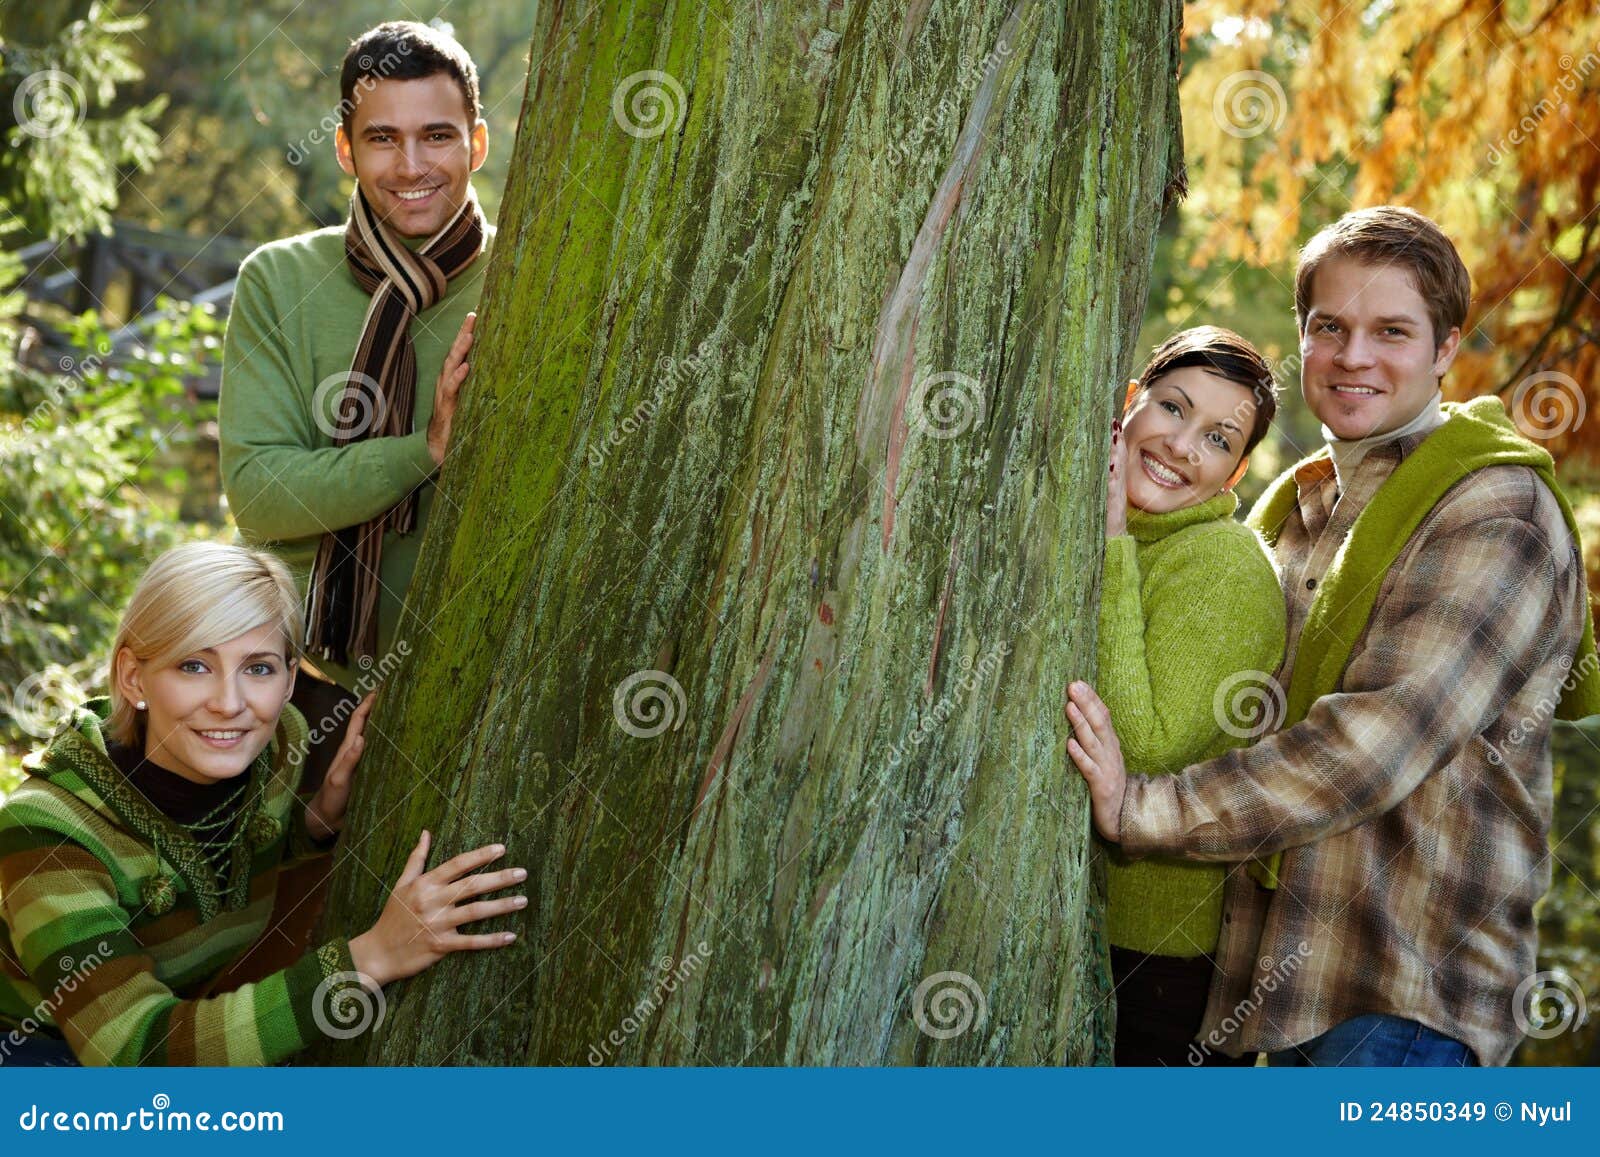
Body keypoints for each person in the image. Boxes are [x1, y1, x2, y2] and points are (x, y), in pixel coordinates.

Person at [1068, 206, 1600, 1067]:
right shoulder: (1304, 505)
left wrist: (1143, 808)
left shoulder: (1494, 510)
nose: (1354, 356)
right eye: (1330, 327)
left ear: (1445, 348)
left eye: (1391, 330)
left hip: (1404, 1002)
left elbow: (1374, 745)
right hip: (1274, 990)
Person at [0, 542, 523, 1066]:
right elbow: (139, 1051)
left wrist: (314, 823)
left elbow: (228, 851)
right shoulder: (47, 833)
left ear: (291, 678)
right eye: (193, 666)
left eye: (258, 669)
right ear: (134, 677)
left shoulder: (276, 749)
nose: (229, 704)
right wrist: (371, 958)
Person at [220, 19, 493, 699]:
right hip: (288, 678)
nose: (410, 167)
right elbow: (258, 495)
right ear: (344, 149)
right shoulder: (278, 280)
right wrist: (423, 452)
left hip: (472, 679)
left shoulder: (525, 278)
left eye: (436, 135)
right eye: (382, 139)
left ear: (477, 143)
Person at [1095, 326, 1284, 1066]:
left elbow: (1143, 744)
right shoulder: (1113, 531)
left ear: (1234, 475)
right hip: (1092, 928)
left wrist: (1112, 541)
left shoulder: (1224, 563)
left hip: (1158, 964)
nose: (1180, 445)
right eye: (1173, 408)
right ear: (1130, 401)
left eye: (1216, 438)